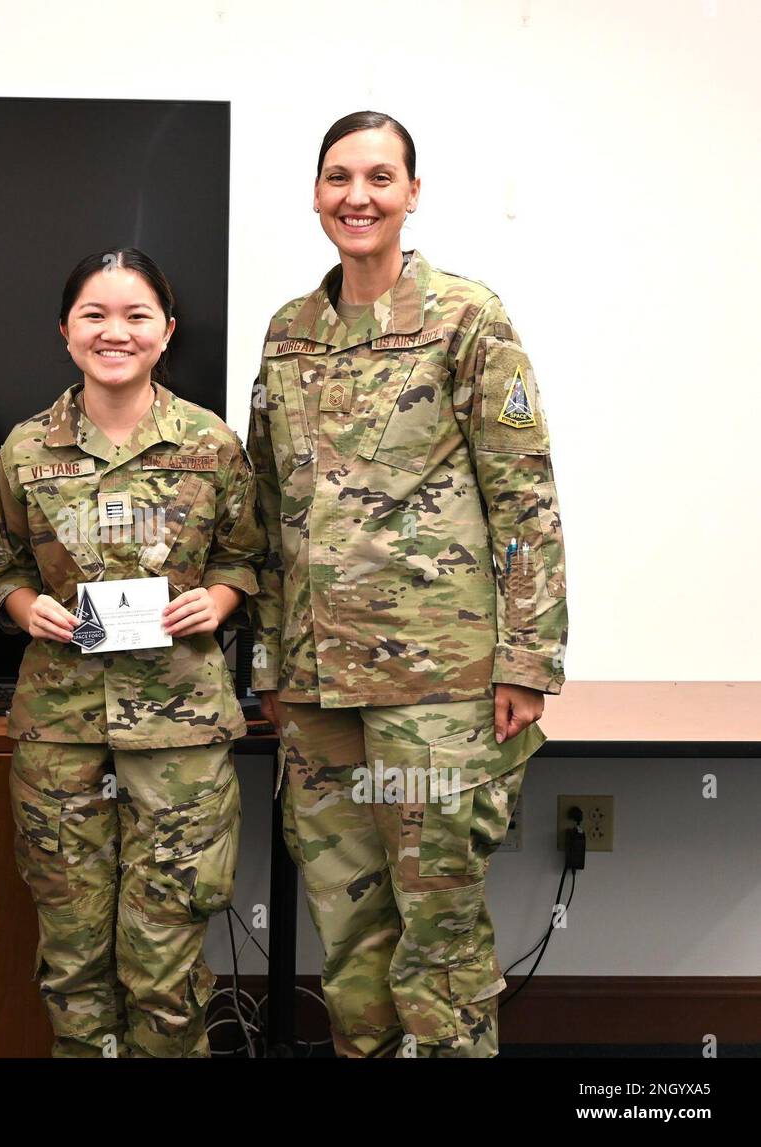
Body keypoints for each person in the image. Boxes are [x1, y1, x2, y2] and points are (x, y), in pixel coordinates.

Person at [247, 111, 568, 1058]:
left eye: (380, 178)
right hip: (314, 688)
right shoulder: (288, 333)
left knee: (437, 924)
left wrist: (528, 660)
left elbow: (525, 497)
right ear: (315, 193)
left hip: (438, 685)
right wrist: (267, 658)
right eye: (339, 177)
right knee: (347, 928)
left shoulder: (467, 317)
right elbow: (264, 509)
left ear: (412, 194)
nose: (358, 196)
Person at [0, 248, 266, 1057]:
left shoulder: (210, 444)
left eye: (136, 315)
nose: (115, 332)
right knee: (71, 962)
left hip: (178, 740)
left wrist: (221, 597)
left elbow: (249, 556)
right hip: (61, 738)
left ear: (166, 332)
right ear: (65, 332)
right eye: (94, 315)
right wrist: (27, 607)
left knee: (164, 966)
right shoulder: (25, 450)